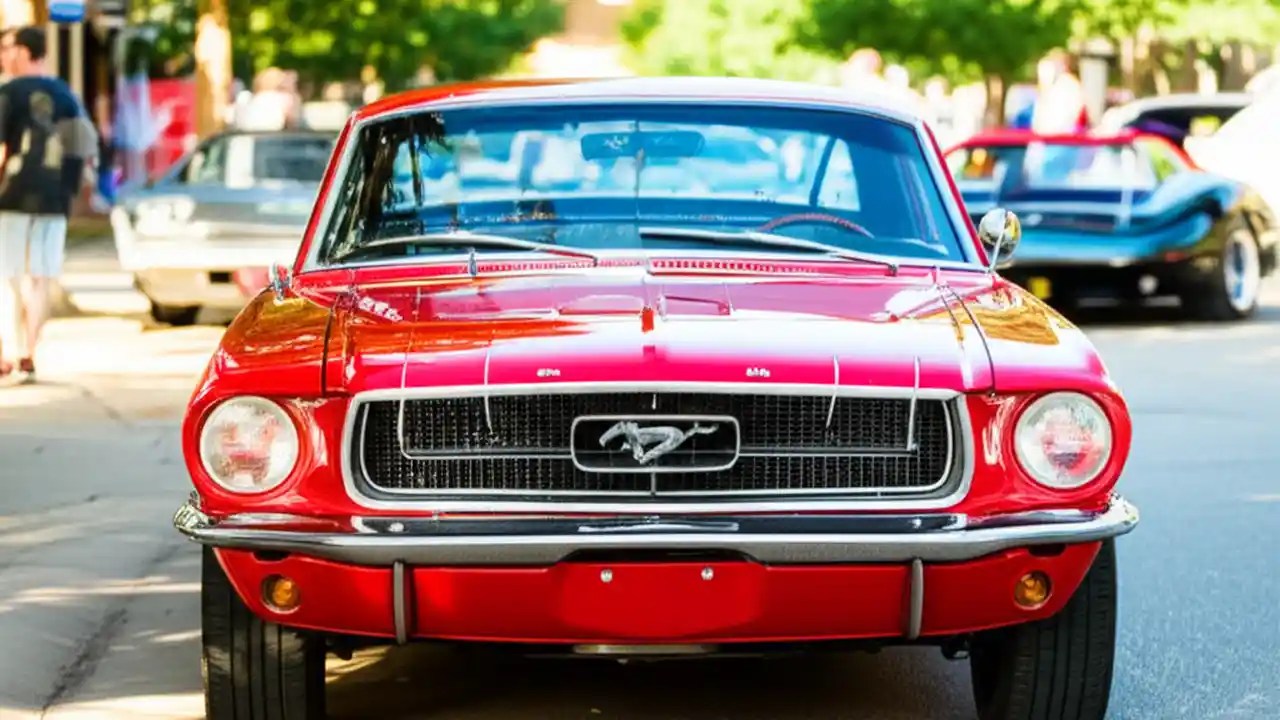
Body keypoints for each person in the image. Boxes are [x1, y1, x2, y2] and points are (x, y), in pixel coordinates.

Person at [0, 26, 95, 384]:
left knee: (9, 276)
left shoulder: (7, 93)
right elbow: (83, 148)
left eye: (7, 49)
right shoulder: (66, 96)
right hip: (55, 199)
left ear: (25, 52)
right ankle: (29, 355)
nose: (4, 56)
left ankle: (9, 352)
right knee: (39, 277)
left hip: (11, 195)